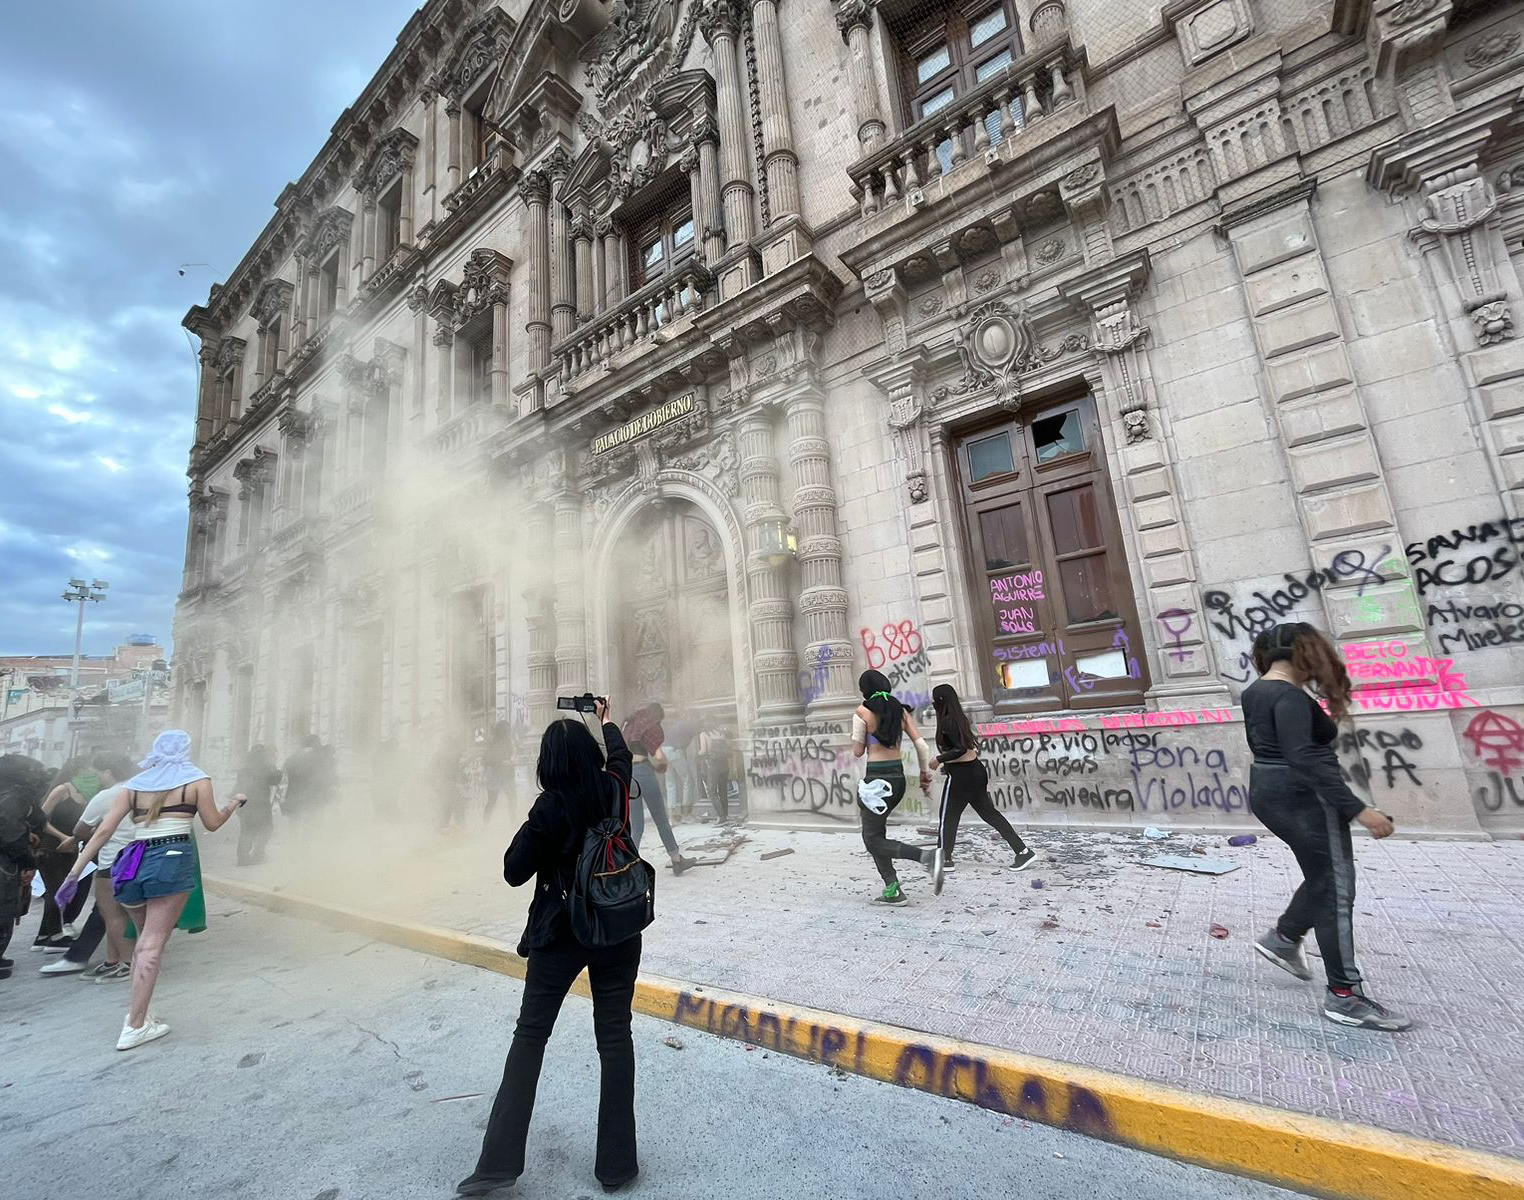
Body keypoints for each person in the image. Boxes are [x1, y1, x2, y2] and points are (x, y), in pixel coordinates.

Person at [458, 700, 643, 1196]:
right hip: (616, 928)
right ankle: (617, 1166)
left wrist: (534, 825)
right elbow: (621, 757)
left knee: (530, 1037)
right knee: (615, 1040)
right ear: (591, 755)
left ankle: (498, 1164)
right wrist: (605, 721)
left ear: (547, 765)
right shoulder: (614, 787)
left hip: (560, 934)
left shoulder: (550, 805)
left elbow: (514, 869)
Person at [1243, 622, 1411, 1033]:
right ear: (1306, 655)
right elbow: (1305, 759)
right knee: (1336, 887)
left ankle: (1284, 938)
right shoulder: (1289, 698)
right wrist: (1359, 810)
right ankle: (1344, 996)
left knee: (1323, 876)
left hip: (1269, 790)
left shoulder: (1255, 691)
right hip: (1303, 796)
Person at [62, 730, 241, 1050]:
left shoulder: (134, 786)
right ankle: (134, 1024)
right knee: (152, 945)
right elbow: (212, 823)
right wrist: (233, 804)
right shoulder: (197, 781)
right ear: (186, 750)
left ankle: (142, 1013)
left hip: (131, 863)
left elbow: (103, 831)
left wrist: (74, 874)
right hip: (171, 858)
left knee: (146, 941)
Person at [40, 752, 138, 979]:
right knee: (113, 911)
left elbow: (80, 830)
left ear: (108, 772)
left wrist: (80, 840)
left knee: (110, 912)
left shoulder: (107, 796)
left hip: (113, 859)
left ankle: (126, 963)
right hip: (137, 857)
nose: (96, 779)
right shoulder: (142, 790)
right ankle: (111, 960)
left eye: (97, 774)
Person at [851, 670, 940, 905]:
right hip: (898, 780)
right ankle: (892, 890)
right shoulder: (900, 711)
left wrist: (863, 735)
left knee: (871, 839)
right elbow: (921, 746)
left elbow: (857, 752)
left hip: (876, 783)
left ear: (865, 690)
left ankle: (926, 857)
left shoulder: (863, 712)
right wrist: (924, 773)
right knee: (875, 835)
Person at [928, 684, 1036, 872]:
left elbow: (960, 749)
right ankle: (1023, 851)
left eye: (934, 700)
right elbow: (967, 748)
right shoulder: (960, 718)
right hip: (975, 771)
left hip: (962, 777)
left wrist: (939, 759)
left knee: (948, 817)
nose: (933, 703)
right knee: (989, 814)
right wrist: (949, 765)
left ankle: (944, 860)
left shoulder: (947, 721)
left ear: (940, 701)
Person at [32, 755, 104, 949]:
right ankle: (55, 938)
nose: (92, 774)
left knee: (61, 890)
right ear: (78, 770)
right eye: (89, 770)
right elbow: (41, 819)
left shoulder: (86, 794)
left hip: (71, 848)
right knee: (56, 891)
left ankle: (43, 936)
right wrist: (64, 837)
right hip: (50, 847)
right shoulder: (62, 790)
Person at [622, 704, 694, 875]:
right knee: (661, 819)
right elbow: (659, 755)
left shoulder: (629, 724)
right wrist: (663, 764)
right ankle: (676, 860)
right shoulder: (651, 727)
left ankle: (628, 866)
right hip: (643, 772)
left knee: (636, 824)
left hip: (628, 774)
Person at [0, 755, 51, 980]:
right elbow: (9, 829)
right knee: (4, 908)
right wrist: (27, 861)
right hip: (5, 860)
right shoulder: (16, 794)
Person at [234, 744, 282, 867]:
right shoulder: (264, 764)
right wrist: (278, 771)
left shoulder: (245, 765)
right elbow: (274, 778)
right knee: (266, 829)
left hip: (243, 801)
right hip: (259, 802)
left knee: (246, 830)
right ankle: (258, 855)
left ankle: (243, 857)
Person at [663, 711, 699, 819]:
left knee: (670, 783)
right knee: (688, 780)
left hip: (664, 751)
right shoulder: (687, 724)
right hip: (675, 751)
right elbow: (694, 735)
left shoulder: (672, 725)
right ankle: (686, 814)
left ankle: (671, 816)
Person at [697, 721, 733, 822]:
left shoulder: (704, 734)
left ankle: (721, 817)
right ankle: (725, 815)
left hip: (713, 765)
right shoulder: (721, 732)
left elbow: (704, 750)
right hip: (725, 764)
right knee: (723, 791)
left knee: (712, 792)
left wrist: (698, 755)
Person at [281, 735, 323, 821]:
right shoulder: (315, 759)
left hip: (295, 796)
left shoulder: (293, 758)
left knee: (295, 824)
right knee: (310, 824)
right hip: (309, 797)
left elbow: (285, 770)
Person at [482, 722, 512, 823]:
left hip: (505, 774)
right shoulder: (493, 742)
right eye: (508, 729)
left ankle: (513, 821)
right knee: (492, 801)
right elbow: (487, 759)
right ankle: (485, 823)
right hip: (494, 775)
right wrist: (502, 762)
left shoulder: (507, 741)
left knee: (512, 798)